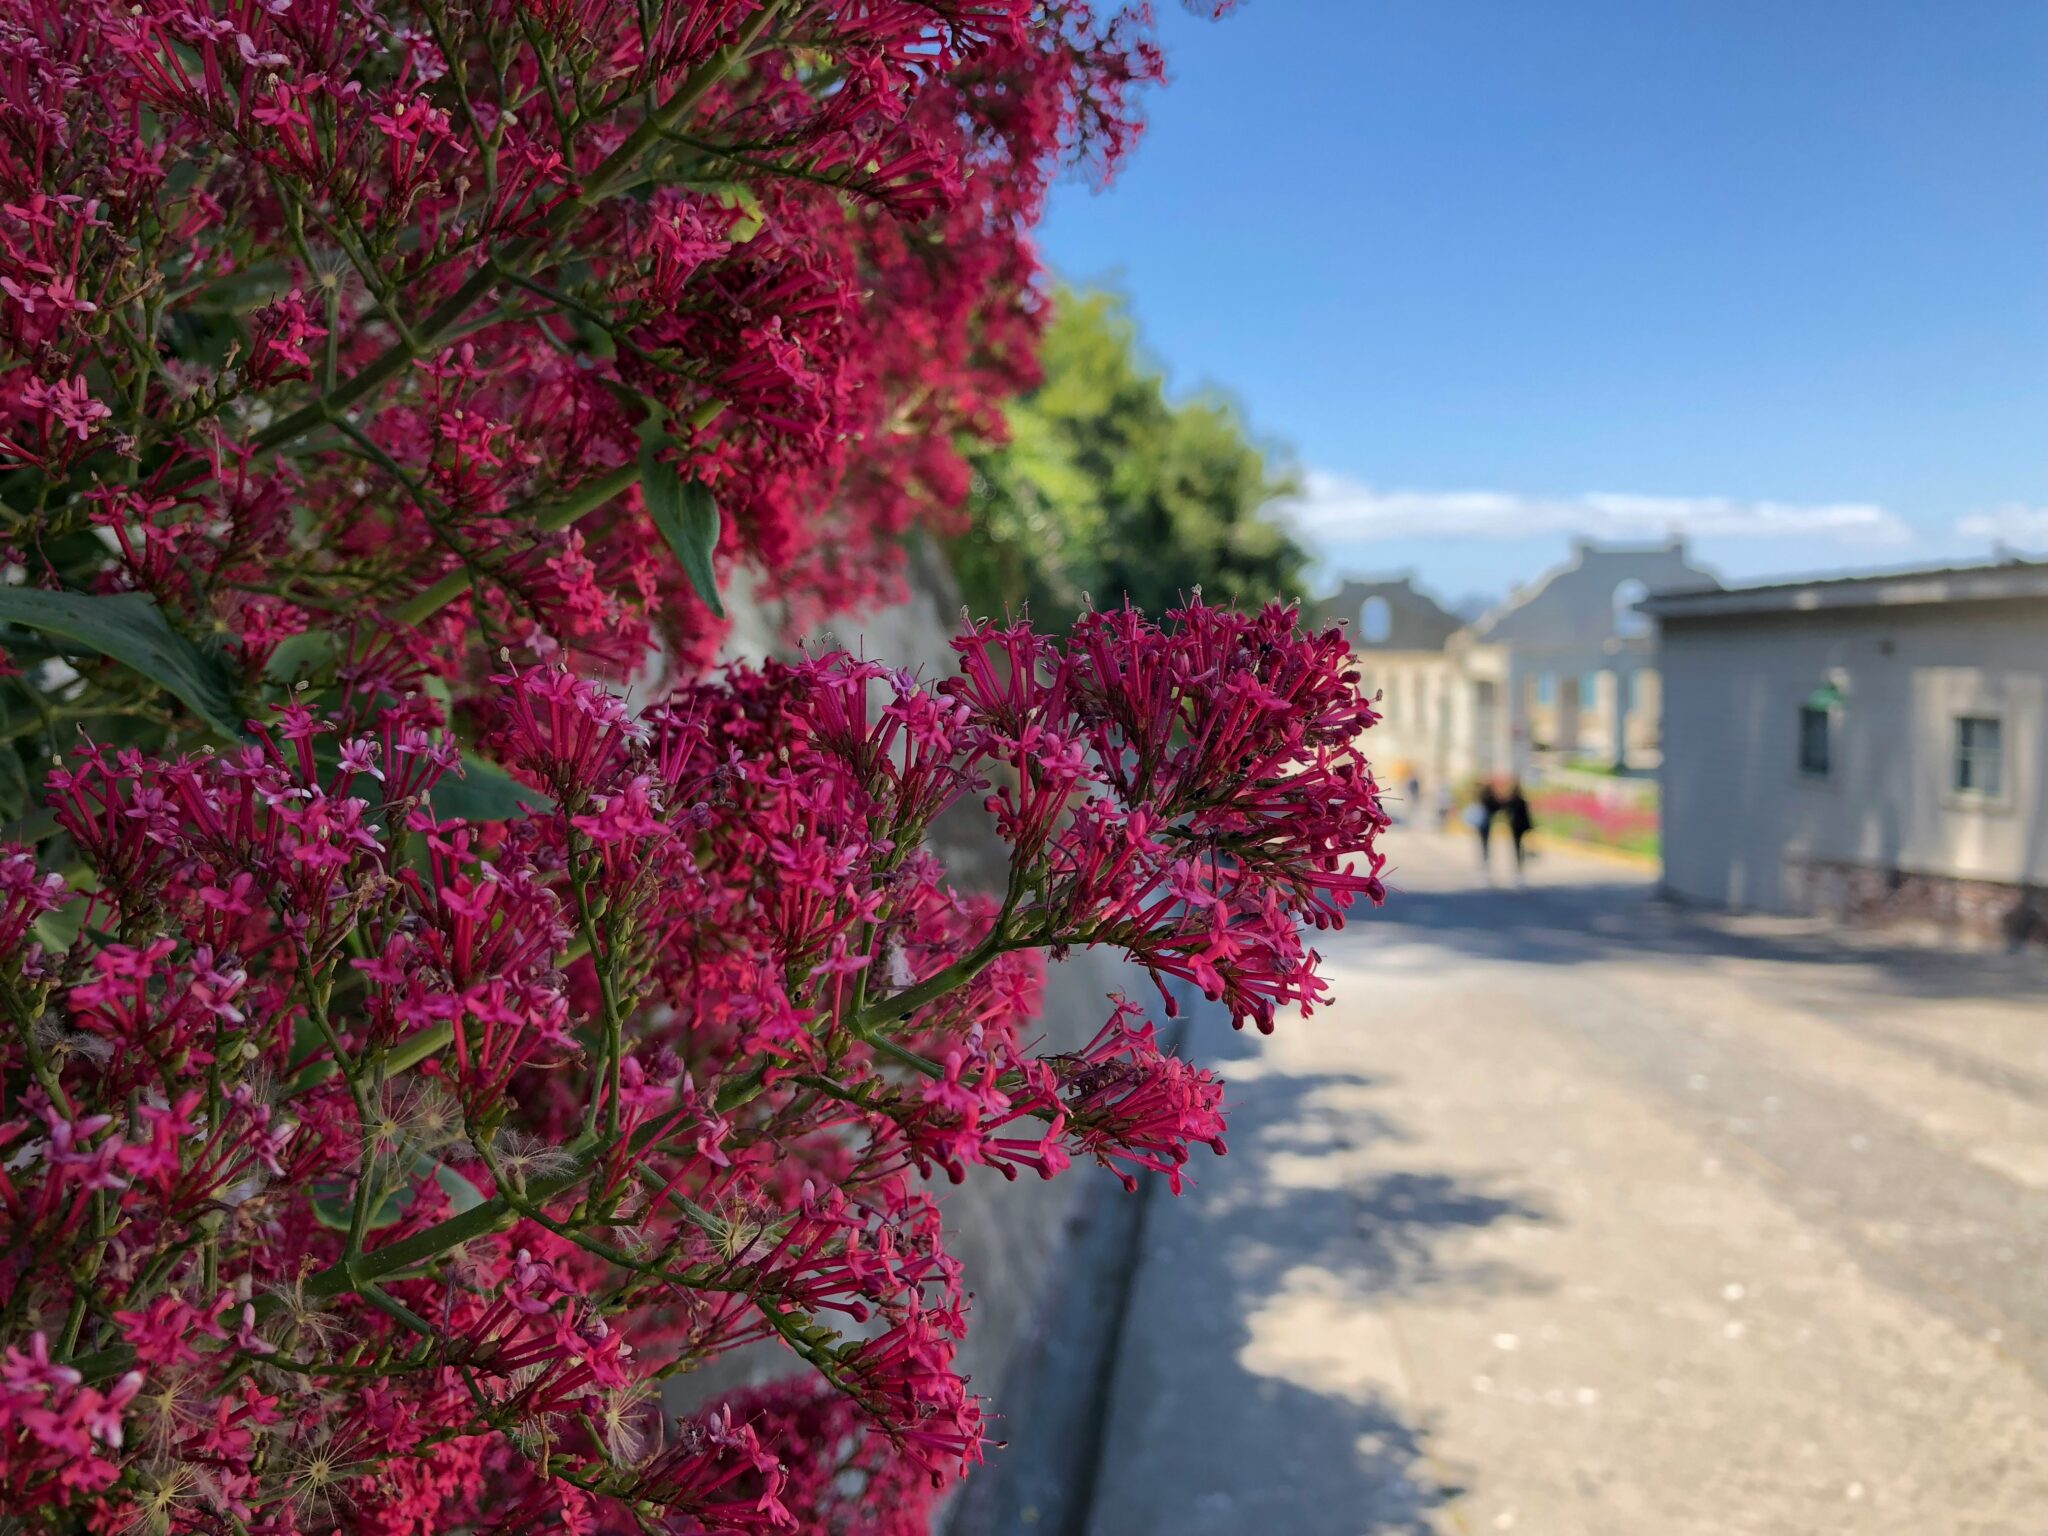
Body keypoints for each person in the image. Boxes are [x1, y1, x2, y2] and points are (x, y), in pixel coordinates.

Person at [1464, 782, 1500, 877]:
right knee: (1485, 842)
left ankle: (1484, 860)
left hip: (1483, 822)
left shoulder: (1483, 798)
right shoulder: (1487, 798)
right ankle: (1485, 859)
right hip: (1485, 822)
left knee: (1483, 842)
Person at [1504, 780, 1535, 882]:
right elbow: (1527, 815)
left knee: (1516, 847)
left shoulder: (1511, 801)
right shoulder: (1522, 801)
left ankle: (1517, 868)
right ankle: (1519, 867)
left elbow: (1507, 813)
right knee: (1520, 847)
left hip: (1515, 827)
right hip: (1521, 827)